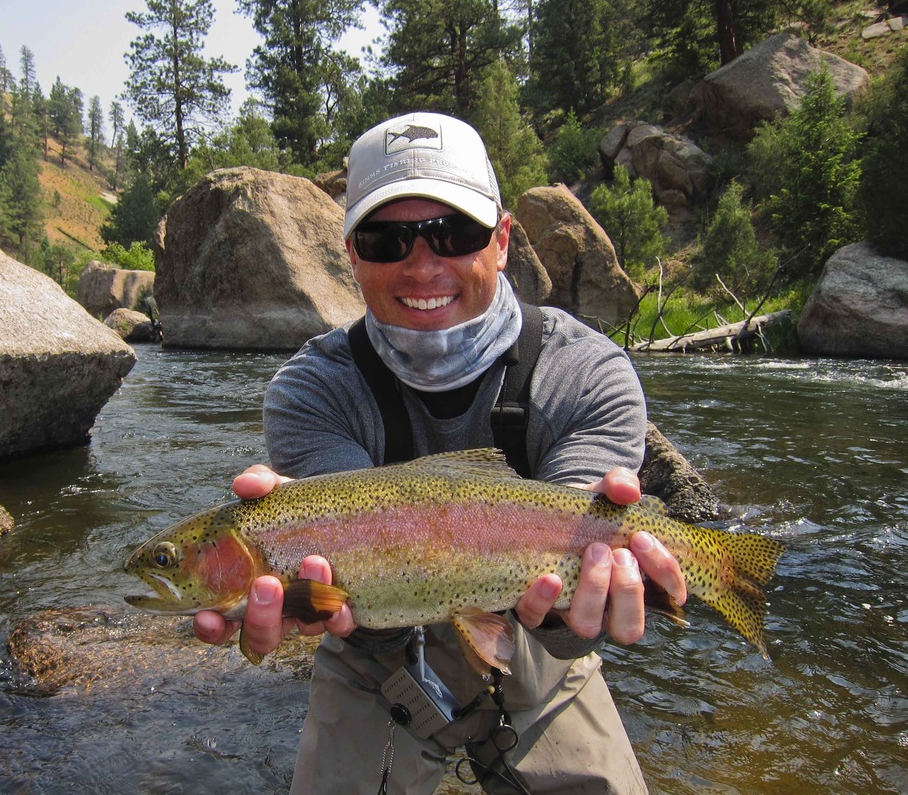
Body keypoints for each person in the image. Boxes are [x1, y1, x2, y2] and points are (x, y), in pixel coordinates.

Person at [193, 112, 687, 794]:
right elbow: (352, 572)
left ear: (504, 239)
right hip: (373, 662)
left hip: (540, 656)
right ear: (351, 254)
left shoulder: (589, 375)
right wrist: (297, 567)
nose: (423, 265)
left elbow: (570, 592)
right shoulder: (311, 390)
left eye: (454, 233)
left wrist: (593, 610)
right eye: (386, 238)